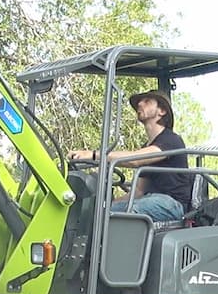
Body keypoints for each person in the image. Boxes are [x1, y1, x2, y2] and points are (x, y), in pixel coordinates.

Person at [68, 91, 189, 222]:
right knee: (99, 213)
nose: (140, 104)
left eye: (147, 101)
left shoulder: (171, 140)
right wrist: (108, 203)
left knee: (130, 211)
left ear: (162, 111)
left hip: (172, 204)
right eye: (139, 102)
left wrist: (92, 155)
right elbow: (138, 191)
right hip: (148, 199)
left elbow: (135, 160)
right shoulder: (147, 147)